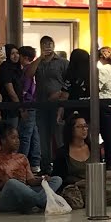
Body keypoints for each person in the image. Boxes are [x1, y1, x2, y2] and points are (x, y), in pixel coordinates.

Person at [59, 48, 111, 170]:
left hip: (74, 109)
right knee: (92, 137)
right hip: (92, 109)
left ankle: (73, 162)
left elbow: (65, 94)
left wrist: (60, 111)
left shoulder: (71, 73)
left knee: (73, 136)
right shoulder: (94, 72)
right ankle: (98, 160)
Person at [52, 112, 111, 209]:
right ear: (71, 129)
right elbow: (58, 177)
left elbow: (99, 172)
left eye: (85, 126)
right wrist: (76, 183)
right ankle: (88, 201)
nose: (84, 129)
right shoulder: (63, 152)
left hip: (91, 187)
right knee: (78, 197)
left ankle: (88, 201)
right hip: (73, 188)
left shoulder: (93, 149)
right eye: (79, 127)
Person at [0, 124, 60, 214]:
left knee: (57, 179)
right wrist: (5, 182)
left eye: (18, 138)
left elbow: (31, 181)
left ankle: (37, 201)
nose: (17, 141)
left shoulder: (22, 158)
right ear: (3, 140)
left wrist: (42, 179)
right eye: (13, 138)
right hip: (7, 197)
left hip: (26, 193)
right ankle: (40, 201)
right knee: (12, 183)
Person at [28, 35, 67, 174]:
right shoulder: (38, 63)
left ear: (54, 45)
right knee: (43, 137)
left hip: (58, 105)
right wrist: (39, 58)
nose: (48, 46)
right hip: (41, 104)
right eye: (45, 44)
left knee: (59, 136)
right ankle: (45, 167)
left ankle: (63, 166)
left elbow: (68, 83)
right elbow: (28, 74)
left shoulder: (62, 62)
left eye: (50, 43)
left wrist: (61, 96)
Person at [16, 45, 41, 173]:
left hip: (28, 104)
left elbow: (25, 89)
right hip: (35, 104)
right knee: (34, 134)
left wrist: (23, 106)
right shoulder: (35, 69)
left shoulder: (26, 70)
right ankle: (35, 163)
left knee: (25, 135)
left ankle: (22, 163)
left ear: (23, 57)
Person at [0, 44, 23, 134]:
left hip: (16, 106)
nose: (16, 56)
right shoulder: (5, 69)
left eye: (17, 53)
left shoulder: (17, 68)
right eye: (12, 53)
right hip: (10, 107)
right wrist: (20, 108)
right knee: (11, 133)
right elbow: (11, 92)